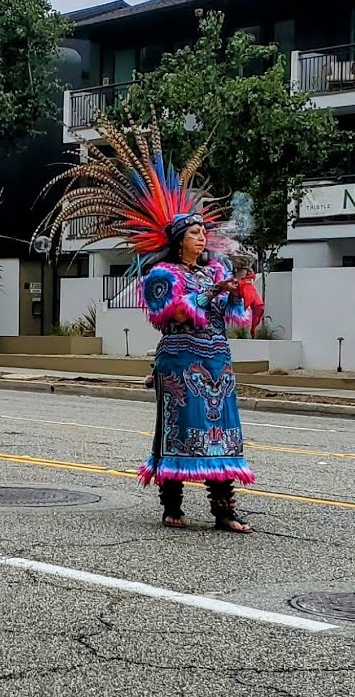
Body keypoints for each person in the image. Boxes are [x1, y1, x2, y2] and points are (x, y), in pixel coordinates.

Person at [37, 114, 254, 533]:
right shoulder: (161, 277)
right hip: (179, 362)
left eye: (203, 233)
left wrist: (235, 291)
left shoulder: (212, 272)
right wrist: (210, 293)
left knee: (223, 431)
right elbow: (169, 315)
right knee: (178, 429)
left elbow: (227, 315)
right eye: (194, 234)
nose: (201, 238)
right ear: (177, 240)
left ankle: (224, 511)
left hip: (217, 361)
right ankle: (172, 504)